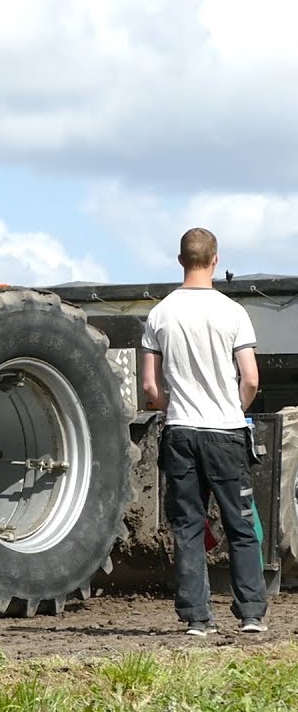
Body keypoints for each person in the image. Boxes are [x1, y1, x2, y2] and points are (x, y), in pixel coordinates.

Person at [140, 227, 267, 636]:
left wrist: (169, 406)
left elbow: (149, 388)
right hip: (226, 432)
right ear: (215, 260)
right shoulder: (233, 312)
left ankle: (197, 618)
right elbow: (250, 378)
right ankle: (250, 613)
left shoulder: (159, 314)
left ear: (180, 261)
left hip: (180, 433)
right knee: (240, 525)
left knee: (189, 527)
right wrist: (234, 408)